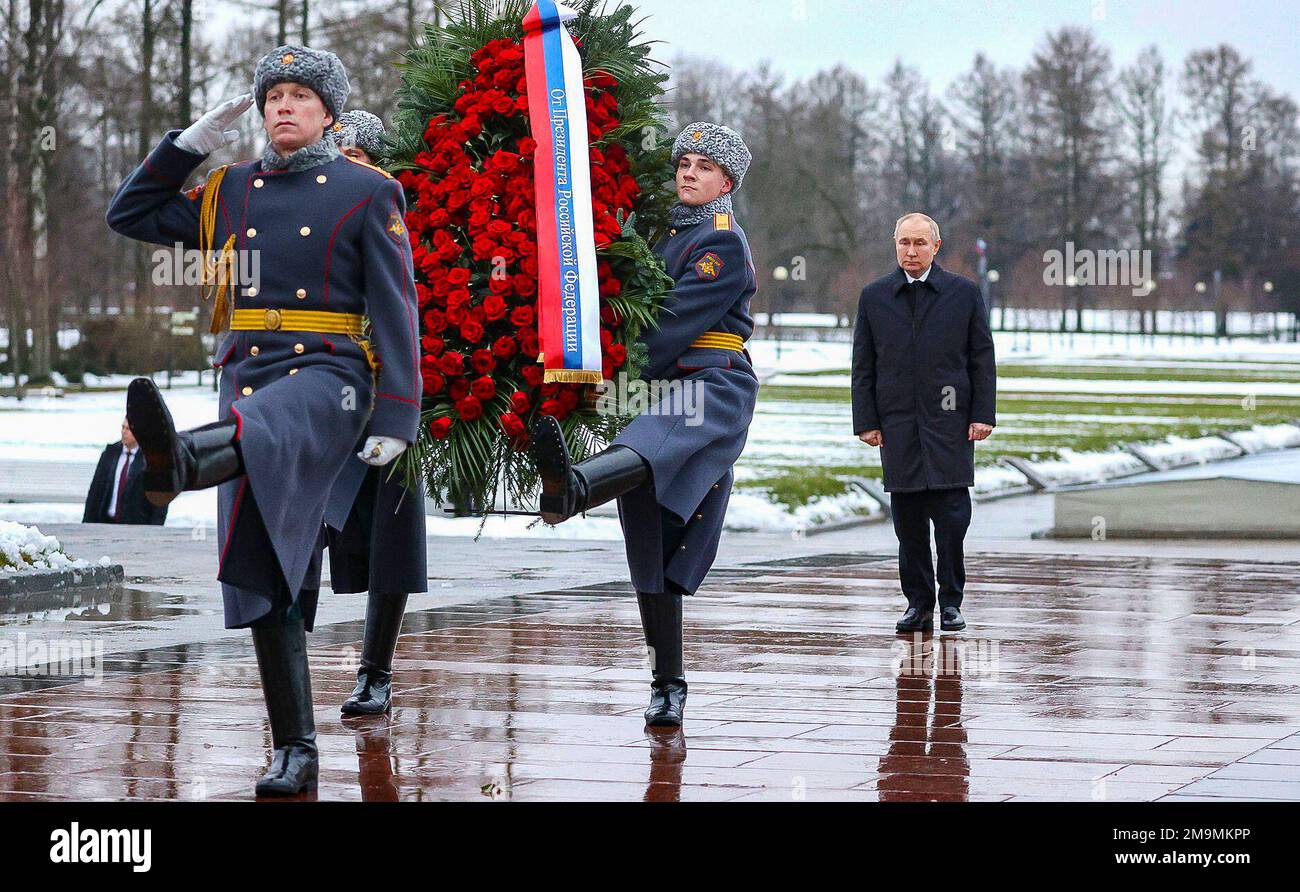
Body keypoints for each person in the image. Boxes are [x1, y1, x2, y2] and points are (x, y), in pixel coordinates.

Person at [106, 44, 420, 796]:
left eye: (299, 96)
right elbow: (131, 214)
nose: (283, 105)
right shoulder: (231, 190)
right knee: (266, 563)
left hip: (331, 377)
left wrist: (400, 412)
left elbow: (395, 305)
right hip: (247, 374)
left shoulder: (366, 191)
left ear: (329, 114)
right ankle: (296, 749)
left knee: (271, 424)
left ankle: (178, 461)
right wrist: (186, 147)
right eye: (272, 94)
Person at [531, 122, 758, 727]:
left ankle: (574, 487)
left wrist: (593, 366)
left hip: (710, 382)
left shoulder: (721, 242)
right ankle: (667, 681)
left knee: (651, 443)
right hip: (650, 387)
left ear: (726, 181)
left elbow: (669, 326)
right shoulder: (662, 234)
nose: (688, 172)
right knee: (651, 544)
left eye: (704, 166)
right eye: (683, 162)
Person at [321, 107, 427, 716]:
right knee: (297, 523)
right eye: (341, 156)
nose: (347, 168)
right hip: (322, 389)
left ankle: (375, 671)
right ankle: (286, 667)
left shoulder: (389, 215)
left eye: (359, 157)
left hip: (386, 395)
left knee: (391, 536)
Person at [851, 212, 996, 634]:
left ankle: (951, 601)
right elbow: (864, 365)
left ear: (936, 246)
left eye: (919, 243)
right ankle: (918, 604)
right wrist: (867, 420)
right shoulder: (875, 296)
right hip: (898, 427)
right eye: (903, 243)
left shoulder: (963, 294)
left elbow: (981, 359)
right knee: (908, 526)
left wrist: (982, 414)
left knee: (952, 523)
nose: (910, 251)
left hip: (950, 425)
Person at [82, 417, 168, 525]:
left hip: (136, 527)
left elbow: (160, 502)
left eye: (128, 429)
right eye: (123, 427)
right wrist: (87, 521)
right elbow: (95, 491)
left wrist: (155, 531)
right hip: (105, 523)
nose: (124, 432)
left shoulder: (151, 459)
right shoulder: (110, 453)